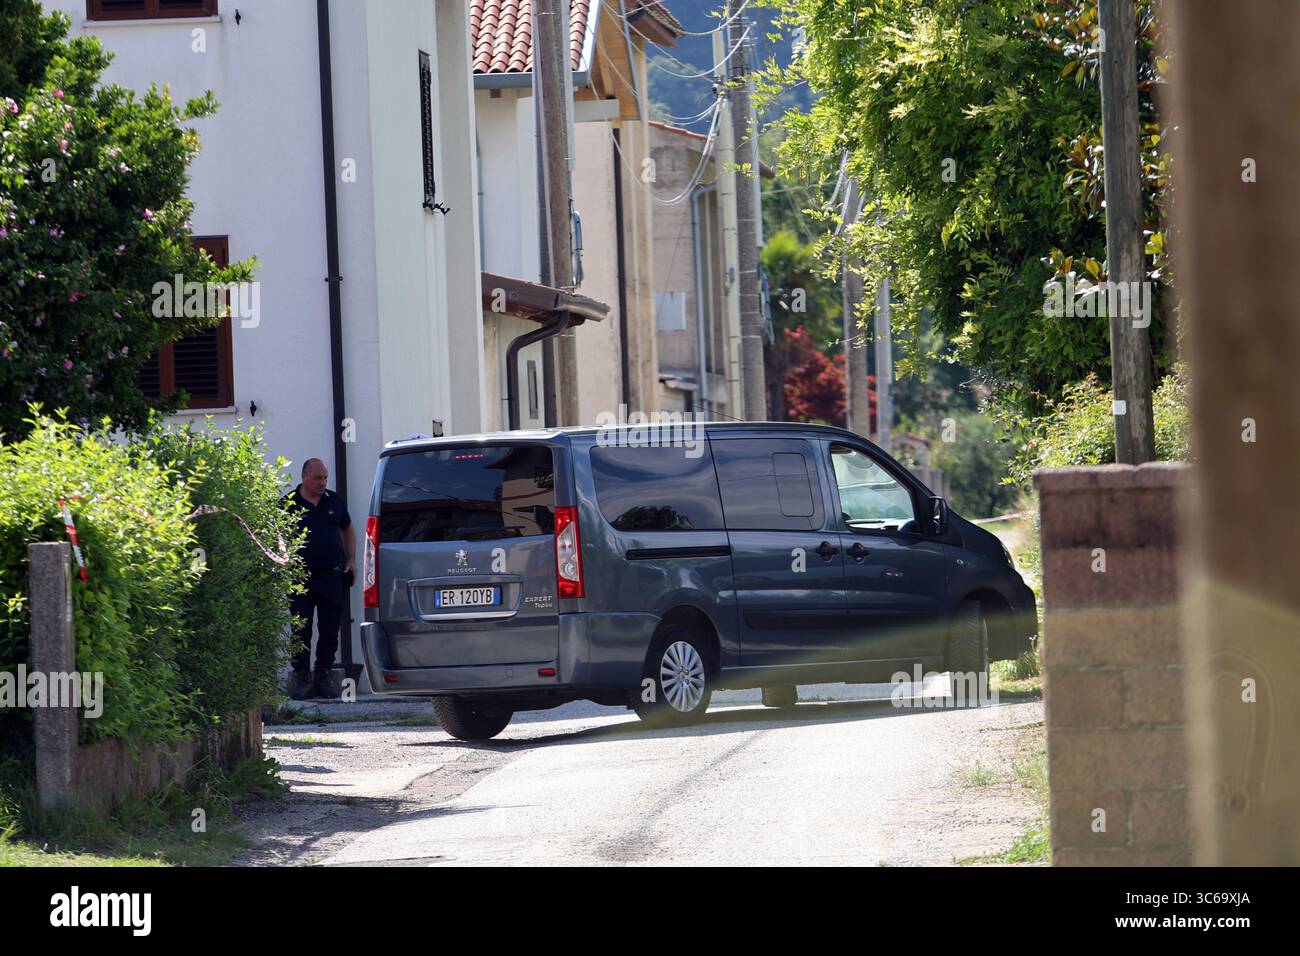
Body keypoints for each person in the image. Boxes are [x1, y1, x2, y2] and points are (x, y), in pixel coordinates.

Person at [284, 458, 355, 699]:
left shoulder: (333, 500)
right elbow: (277, 536)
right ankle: (301, 677)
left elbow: (347, 527)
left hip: (331, 576)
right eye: (317, 478)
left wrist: (351, 559)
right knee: (301, 629)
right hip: (300, 578)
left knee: (329, 629)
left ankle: (323, 676)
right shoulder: (288, 504)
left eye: (325, 477)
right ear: (304, 476)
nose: (322, 482)